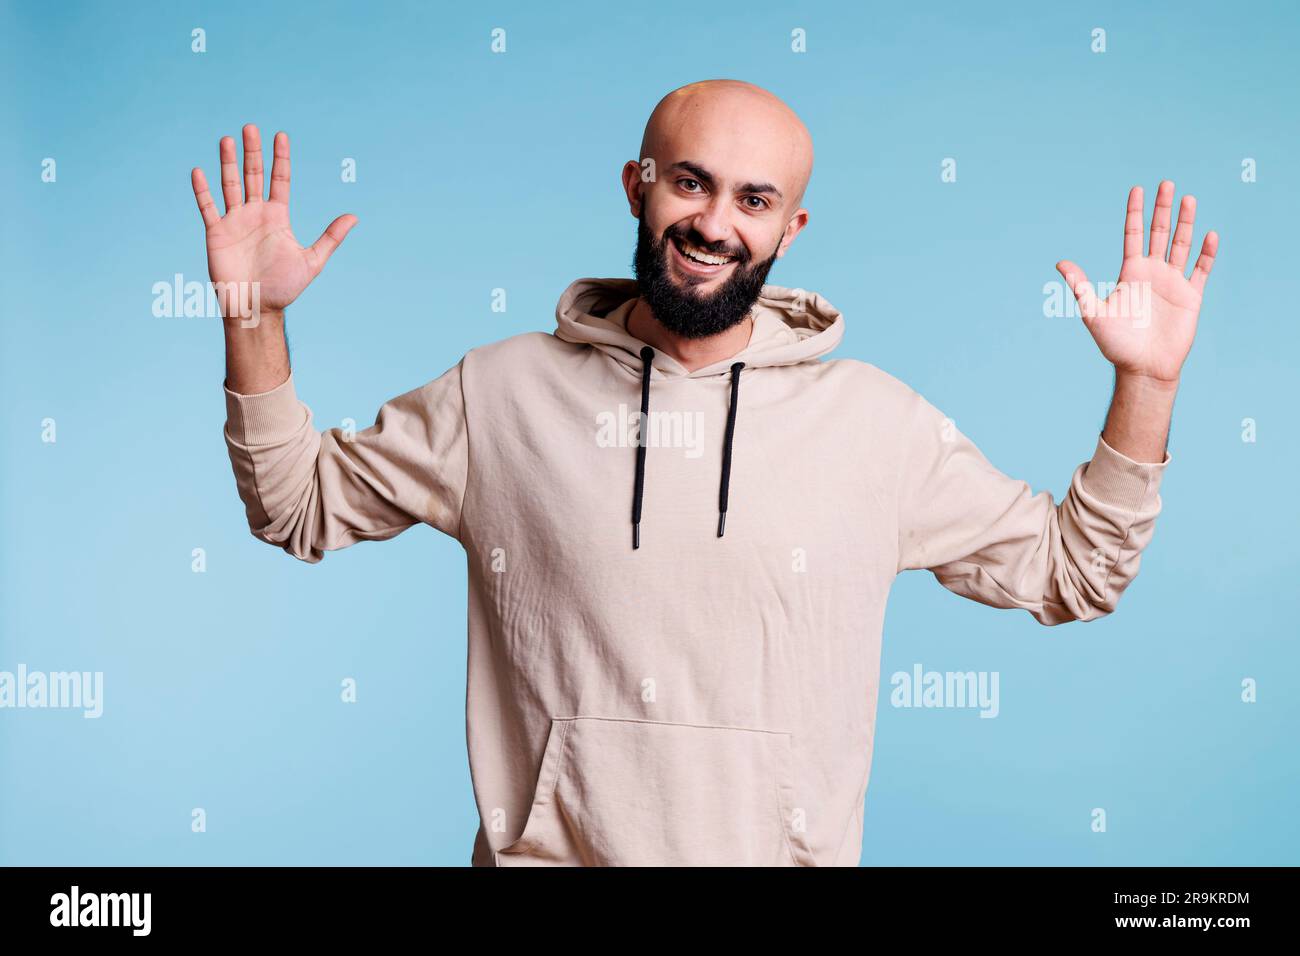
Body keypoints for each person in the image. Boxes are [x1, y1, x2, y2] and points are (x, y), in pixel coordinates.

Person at [192, 79, 1218, 866]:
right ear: (637, 184)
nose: (715, 224)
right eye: (690, 182)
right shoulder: (497, 395)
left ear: (789, 229)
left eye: (752, 199)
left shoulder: (877, 425)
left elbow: (1077, 572)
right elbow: (296, 506)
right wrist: (252, 314)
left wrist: (1147, 381)